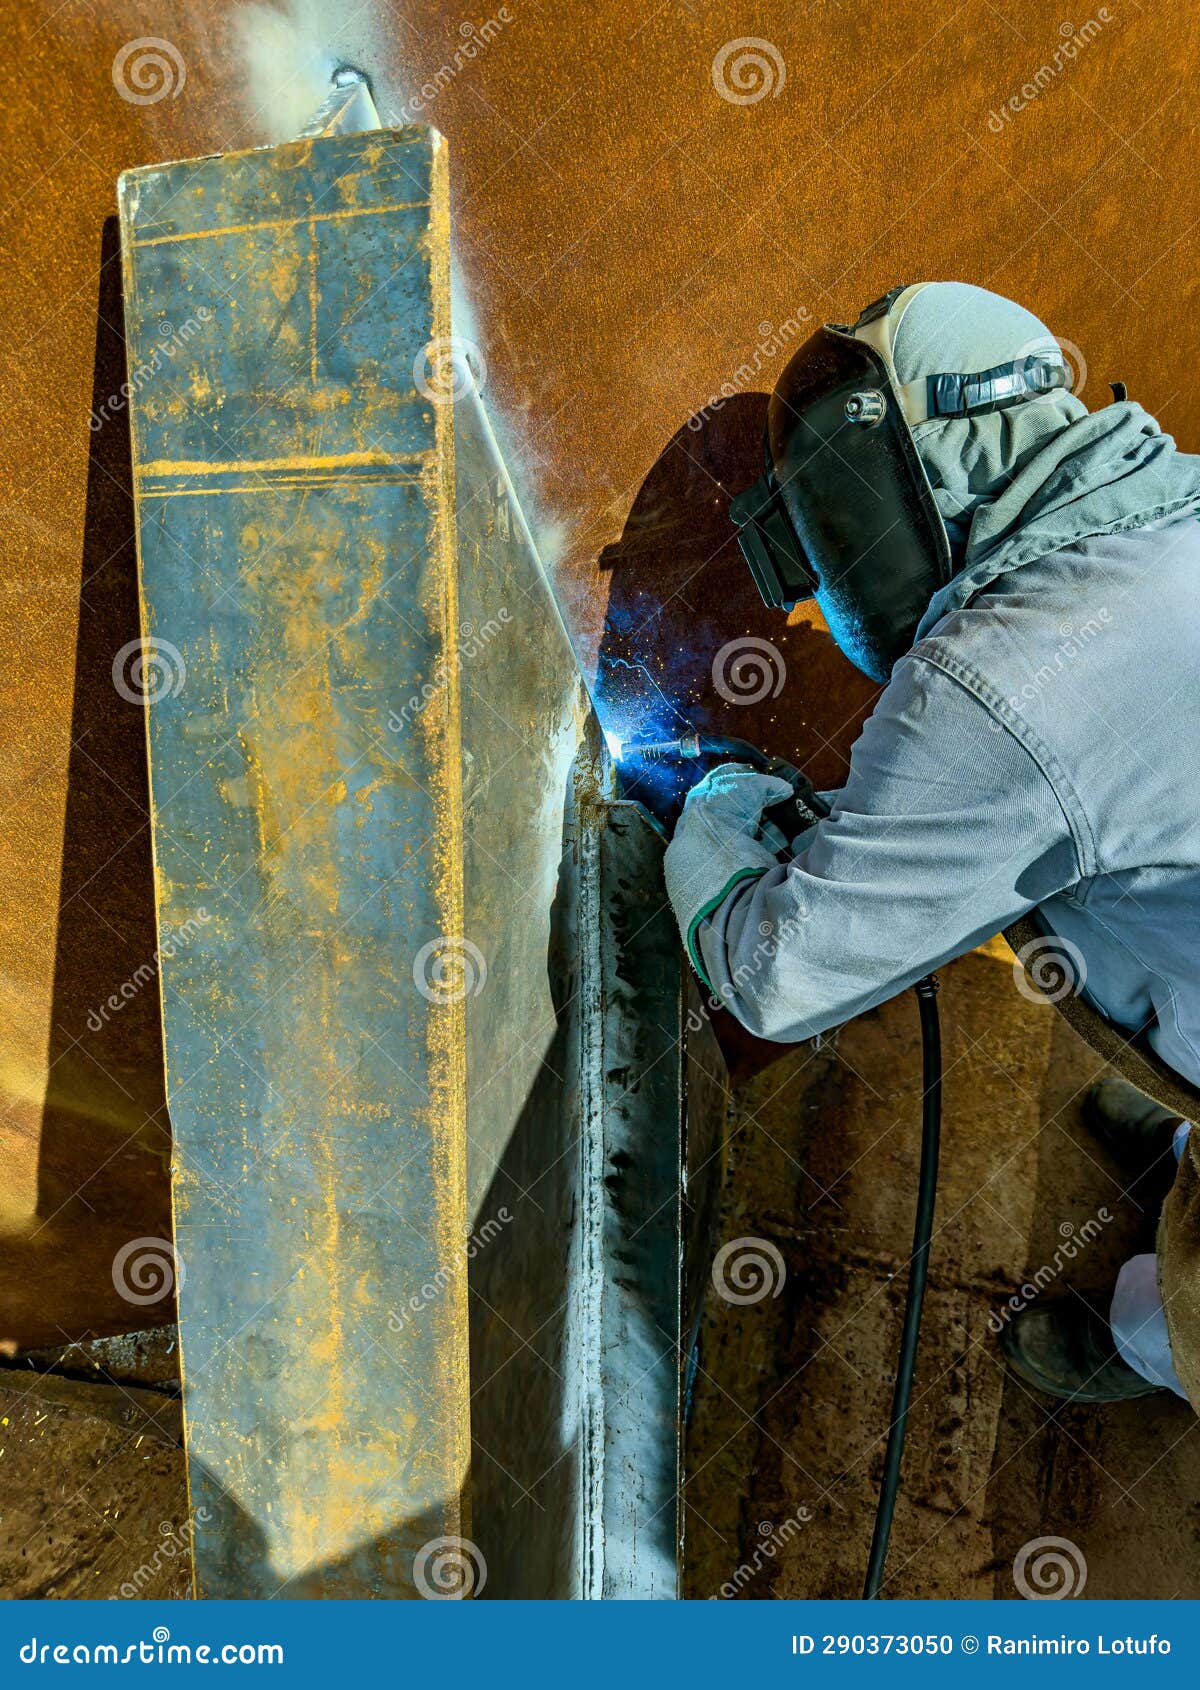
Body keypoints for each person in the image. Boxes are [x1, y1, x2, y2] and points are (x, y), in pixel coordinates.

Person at [663, 281, 1200, 1406]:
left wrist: (716, 812)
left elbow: (778, 976)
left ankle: (1157, 1339)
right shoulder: (1170, 512)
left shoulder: (1011, 678)